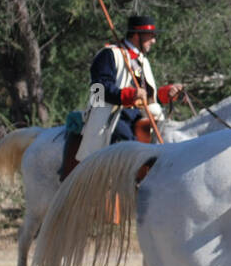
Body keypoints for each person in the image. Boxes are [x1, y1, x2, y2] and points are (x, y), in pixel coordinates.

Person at [60, 15, 184, 180]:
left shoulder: (142, 61)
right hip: (113, 117)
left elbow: (148, 97)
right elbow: (97, 89)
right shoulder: (109, 54)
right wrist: (128, 94)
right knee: (126, 143)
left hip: (138, 116)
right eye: (150, 36)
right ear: (136, 35)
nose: (153, 41)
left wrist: (165, 94)